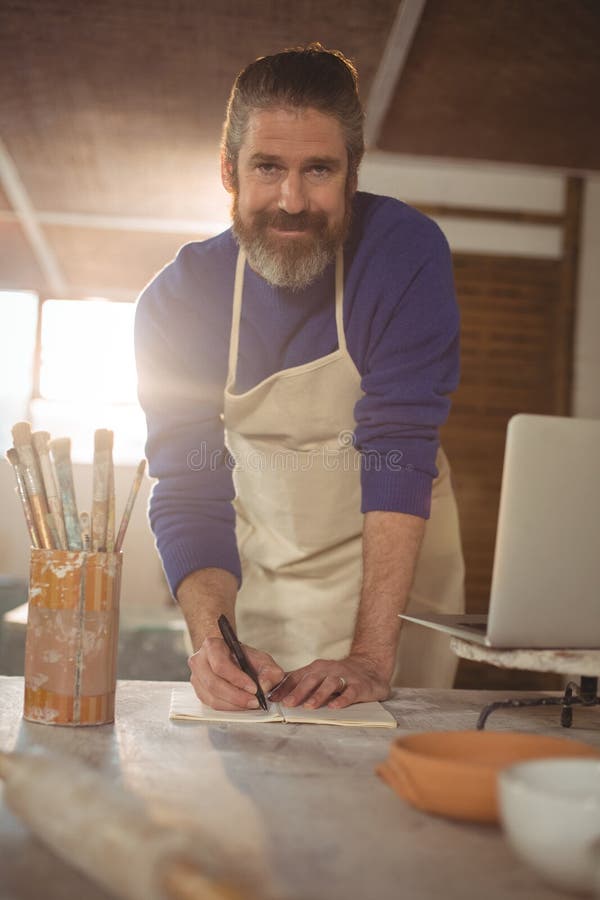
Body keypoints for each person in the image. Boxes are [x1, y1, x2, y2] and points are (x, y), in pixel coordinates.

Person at [135, 44, 465, 713]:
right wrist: (213, 641)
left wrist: (372, 656)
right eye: (267, 168)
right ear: (228, 171)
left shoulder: (402, 253)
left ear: (352, 172)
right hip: (266, 582)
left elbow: (400, 447)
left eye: (318, 169)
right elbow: (190, 481)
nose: (292, 201)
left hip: (397, 590)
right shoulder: (179, 299)